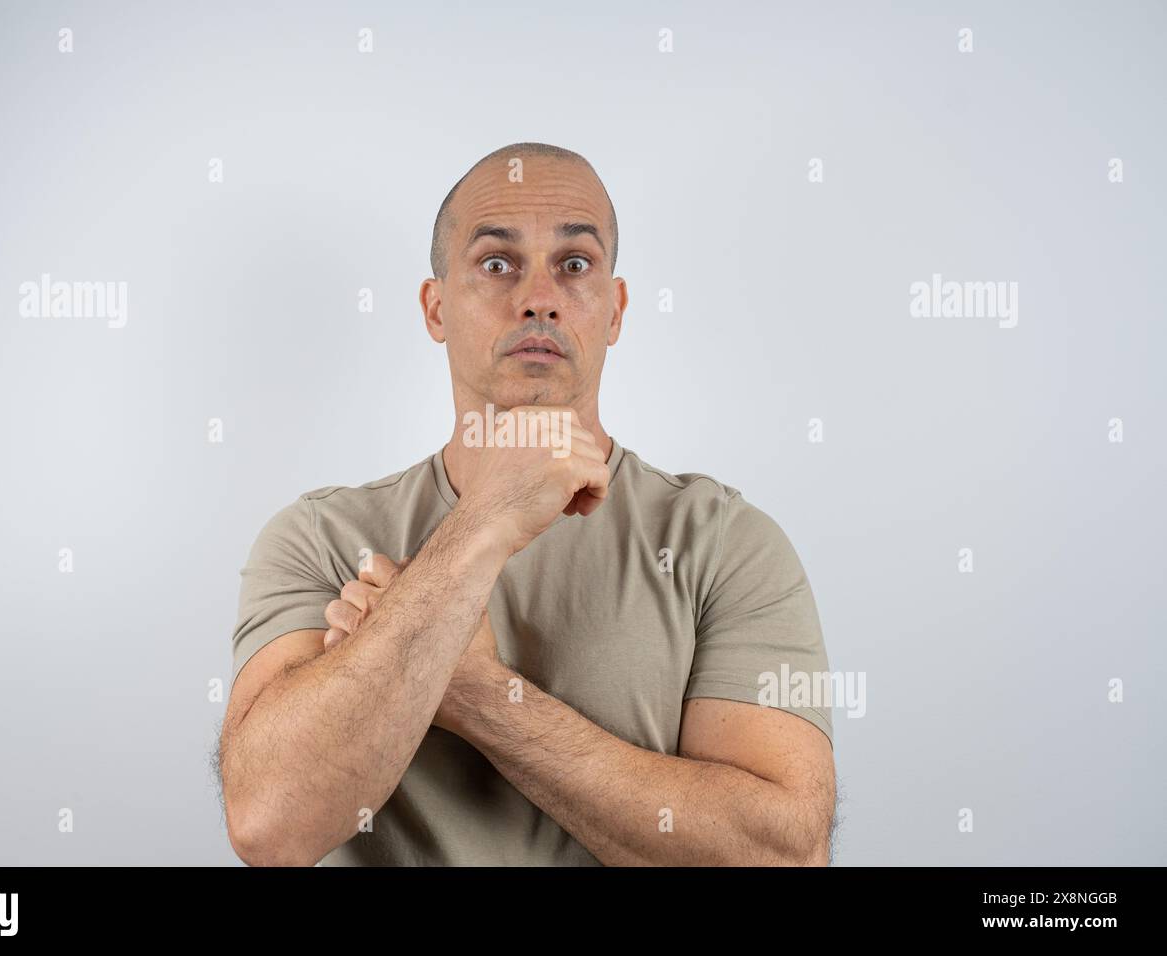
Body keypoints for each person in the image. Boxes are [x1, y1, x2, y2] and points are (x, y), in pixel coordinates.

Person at [218, 142, 836, 866]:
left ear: (615, 309)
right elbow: (267, 822)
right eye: (497, 264)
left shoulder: (724, 543)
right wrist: (485, 521)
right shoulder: (320, 538)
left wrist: (477, 695)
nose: (538, 296)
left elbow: (781, 854)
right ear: (436, 305)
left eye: (574, 264)